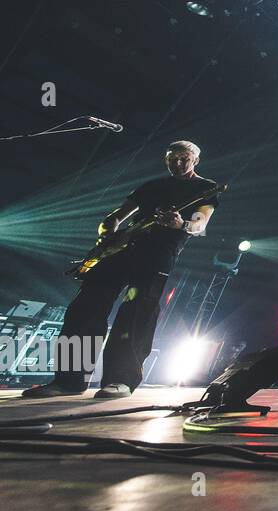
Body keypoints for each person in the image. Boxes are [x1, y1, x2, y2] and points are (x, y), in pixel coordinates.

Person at [24, 141, 221, 399]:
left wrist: (180, 223)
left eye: (184, 158)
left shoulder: (206, 188)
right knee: (85, 305)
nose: (178, 163)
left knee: (136, 311)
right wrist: (107, 231)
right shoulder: (152, 186)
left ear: (196, 160)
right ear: (166, 159)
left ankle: (120, 380)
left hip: (158, 254)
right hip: (122, 249)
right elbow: (117, 215)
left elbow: (200, 224)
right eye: (172, 158)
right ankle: (68, 380)